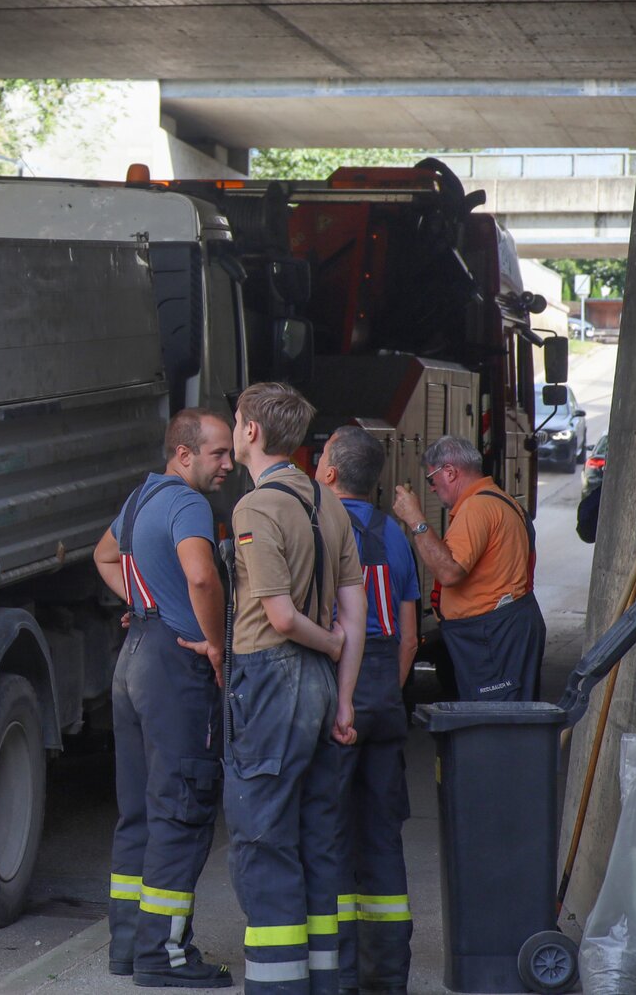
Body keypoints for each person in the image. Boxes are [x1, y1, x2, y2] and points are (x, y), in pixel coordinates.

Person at [225, 382, 366, 995]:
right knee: (317, 836)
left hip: (271, 678)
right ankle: (326, 982)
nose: (233, 431)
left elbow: (280, 616)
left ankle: (278, 986)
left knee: (263, 837)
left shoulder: (255, 508)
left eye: (235, 421)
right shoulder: (327, 500)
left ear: (252, 431)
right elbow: (354, 609)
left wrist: (328, 645)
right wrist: (344, 697)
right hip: (317, 688)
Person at [93, 408, 237, 987]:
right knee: (180, 808)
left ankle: (128, 948)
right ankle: (165, 956)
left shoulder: (139, 501)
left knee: (139, 813)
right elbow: (202, 577)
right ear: (184, 454)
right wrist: (217, 644)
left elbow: (103, 556)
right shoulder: (188, 504)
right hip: (175, 665)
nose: (228, 463)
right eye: (218, 453)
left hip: (133, 657)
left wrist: (143, 598)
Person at [314, 427, 418, 995]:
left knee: (328, 833)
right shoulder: (394, 536)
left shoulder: (321, 529)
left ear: (330, 473)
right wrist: (387, 694)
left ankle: (341, 976)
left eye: (320, 456)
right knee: (381, 833)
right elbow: (408, 637)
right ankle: (388, 976)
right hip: (384, 695)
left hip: (339, 691)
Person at [390, 435, 545, 701]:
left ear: (449, 472)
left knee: (494, 721)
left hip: (493, 637)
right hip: (502, 630)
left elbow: (449, 572)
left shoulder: (478, 507)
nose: (432, 488)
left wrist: (415, 519)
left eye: (431, 479)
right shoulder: (499, 501)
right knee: (506, 717)